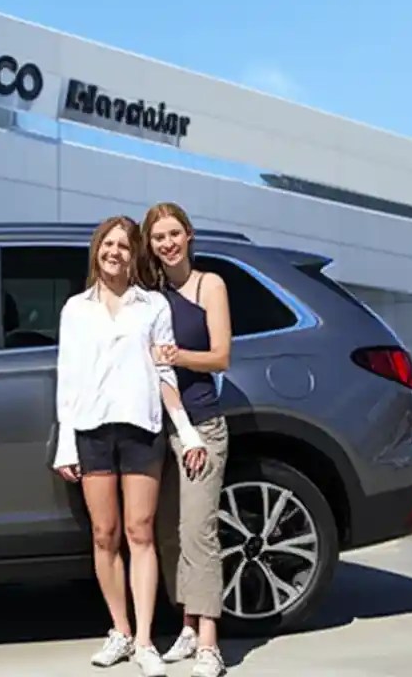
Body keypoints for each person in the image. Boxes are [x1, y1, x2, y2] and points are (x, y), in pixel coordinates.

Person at [53, 215, 208, 676]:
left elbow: (164, 371)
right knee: (105, 534)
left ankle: (144, 641)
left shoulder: (152, 305)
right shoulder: (76, 309)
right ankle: (119, 631)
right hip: (92, 430)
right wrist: (66, 444)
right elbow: (68, 378)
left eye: (123, 245)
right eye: (108, 244)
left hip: (142, 429)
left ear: (133, 254)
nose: (114, 252)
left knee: (140, 533)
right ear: (97, 250)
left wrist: (187, 430)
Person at [142, 201, 232, 677]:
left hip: (203, 425)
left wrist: (177, 356)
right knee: (169, 533)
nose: (168, 243)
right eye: (159, 237)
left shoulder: (208, 285)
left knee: (199, 532)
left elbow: (220, 357)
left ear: (189, 235)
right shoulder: (151, 295)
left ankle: (210, 646)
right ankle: (189, 627)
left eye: (174, 233)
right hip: (161, 427)